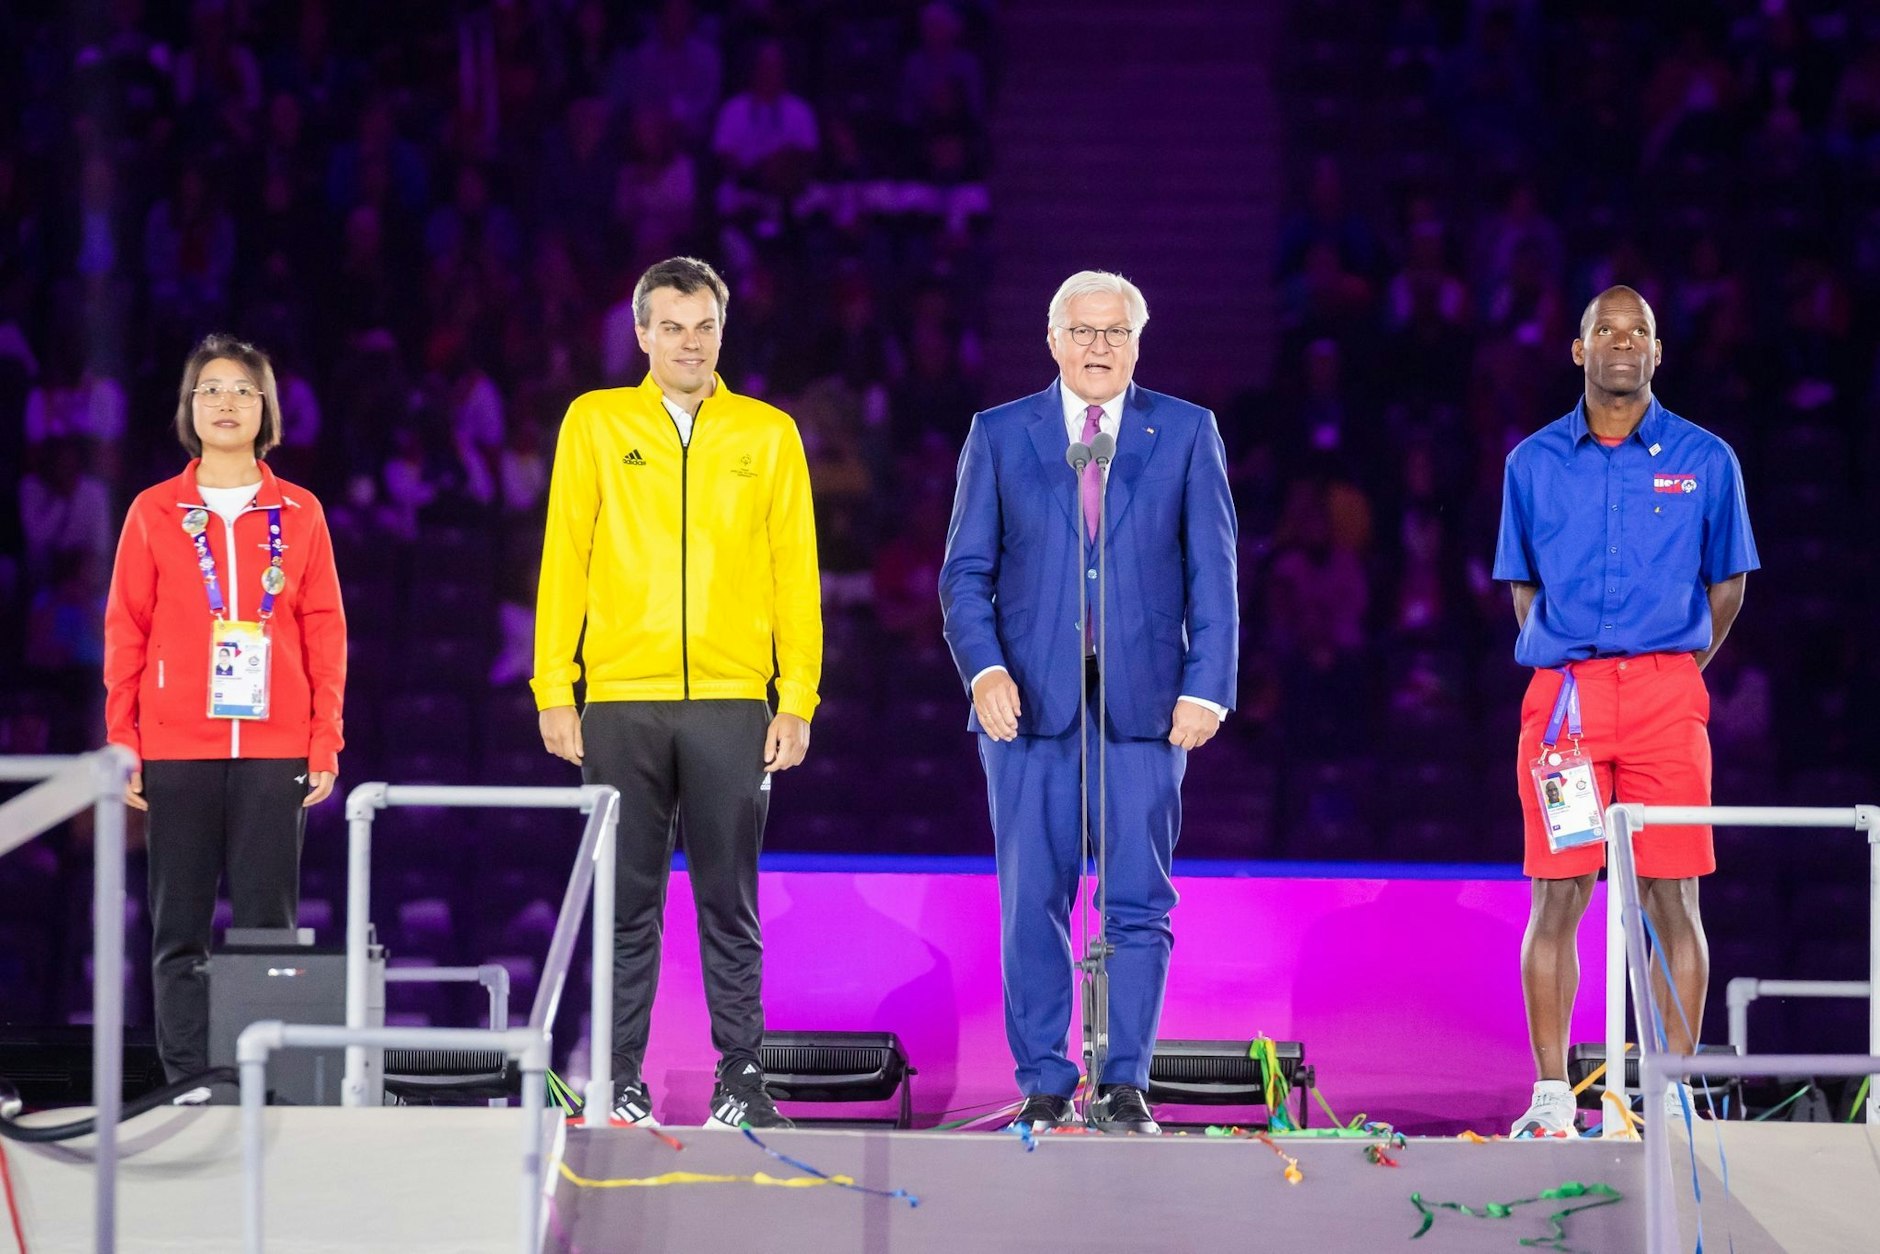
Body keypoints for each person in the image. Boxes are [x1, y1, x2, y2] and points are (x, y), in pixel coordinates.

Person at [938, 271, 1238, 1134]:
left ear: (1137, 343)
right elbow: (965, 577)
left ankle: (1125, 1082)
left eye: (1115, 333)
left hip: (1146, 712)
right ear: (1053, 340)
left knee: (1140, 901)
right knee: (1032, 896)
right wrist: (985, 670)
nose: (1099, 347)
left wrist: (1207, 686)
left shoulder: (1184, 432)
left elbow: (1212, 573)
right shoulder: (999, 435)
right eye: (1083, 331)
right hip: (1028, 712)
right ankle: (1042, 1079)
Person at [532, 256, 821, 1131]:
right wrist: (555, 684)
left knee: (730, 902)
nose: (688, 342)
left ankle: (743, 1078)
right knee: (627, 901)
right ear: (642, 333)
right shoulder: (594, 421)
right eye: (671, 327)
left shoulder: (768, 433)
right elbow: (564, 557)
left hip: (735, 700)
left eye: (703, 327)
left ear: (721, 332)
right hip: (619, 698)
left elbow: (793, 574)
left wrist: (797, 694)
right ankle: (616, 1077)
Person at [1493, 286, 1757, 1136]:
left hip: (1664, 699)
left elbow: (1729, 586)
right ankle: (1549, 1100)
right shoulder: (1531, 462)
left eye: (1637, 329)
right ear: (1578, 350)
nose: (1621, 341)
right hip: (1565, 705)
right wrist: (1578, 667)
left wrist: (1671, 673)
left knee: (1673, 899)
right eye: (1604, 329)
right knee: (1557, 897)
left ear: (1656, 350)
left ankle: (1668, 1094)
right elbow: (1520, 583)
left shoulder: (1707, 459)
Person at [103, 333, 347, 1091]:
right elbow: (126, 629)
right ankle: (188, 1082)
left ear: (265, 408)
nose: (227, 402)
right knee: (177, 932)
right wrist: (123, 740)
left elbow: (324, 631)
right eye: (211, 389)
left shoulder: (299, 512)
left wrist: (324, 736)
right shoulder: (153, 512)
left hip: (275, 747)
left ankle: (258, 1084)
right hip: (176, 746)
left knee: (266, 934)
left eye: (243, 388)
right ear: (190, 408)